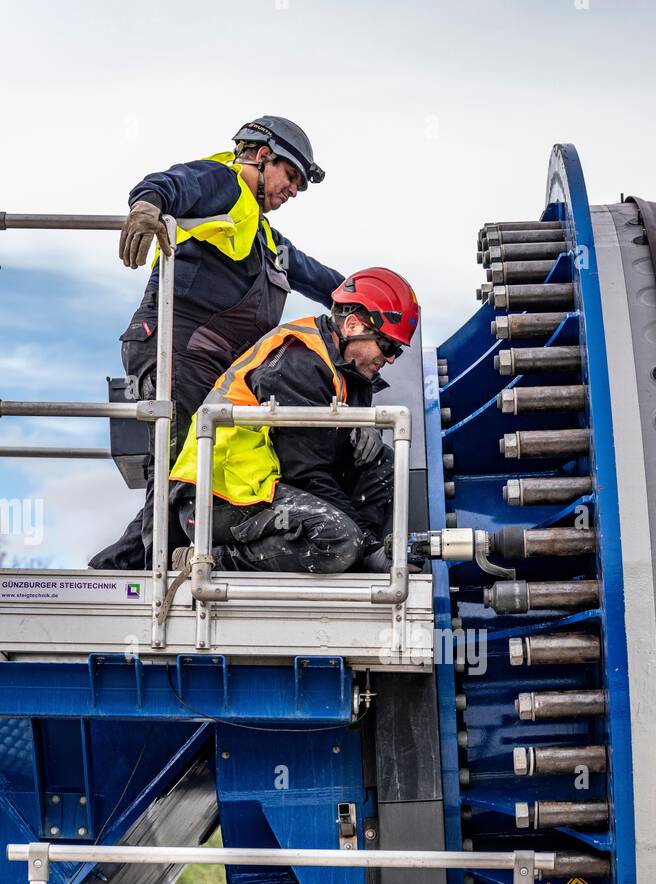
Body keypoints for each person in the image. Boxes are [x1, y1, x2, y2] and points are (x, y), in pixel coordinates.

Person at [90, 117, 342, 570]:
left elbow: (315, 276)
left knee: (185, 471)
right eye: (292, 178)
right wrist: (147, 207)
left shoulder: (262, 234)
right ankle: (158, 579)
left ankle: (116, 571)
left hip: (205, 363)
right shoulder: (223, 182)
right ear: (263, 157)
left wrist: (358, 297)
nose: (293, 192)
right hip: (175, 347)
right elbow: (171, 183)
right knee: (176, 471)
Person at [168, 268, 418, 575]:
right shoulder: (300, 360)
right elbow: (306, 470)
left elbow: (323, 457)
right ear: (353, 325)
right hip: (220, 498)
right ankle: (208, 559)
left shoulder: (344, 368)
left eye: (398, 351)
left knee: (380, 462)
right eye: (388, 346)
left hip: (265, 485)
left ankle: (361, 554)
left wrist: (359, 432)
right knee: (339, 541)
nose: (391, 359)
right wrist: (365, 545)